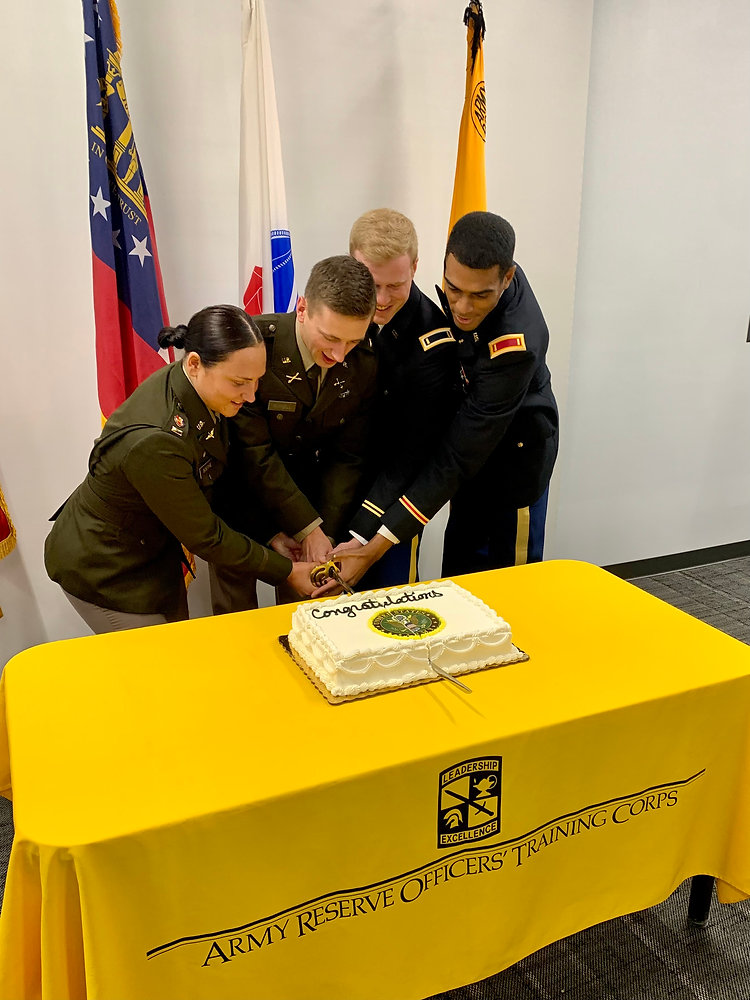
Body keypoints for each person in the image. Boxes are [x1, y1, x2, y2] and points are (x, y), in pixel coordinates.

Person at [45, 305, 320, 633]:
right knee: (157, 669)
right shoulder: (159, 439)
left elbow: (217, 481)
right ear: (194, 364)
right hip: (106, 568)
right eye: (239, 382)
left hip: (151, 554)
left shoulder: (200, 392)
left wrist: (270, 535)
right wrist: (287, 571)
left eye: (257, 381)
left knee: (176, 646)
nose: (250, 395)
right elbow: (207, 537)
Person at [334, 210, 558, 583]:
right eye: (453, 289)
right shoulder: (479, 265)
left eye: (480, 295)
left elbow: (458, 454)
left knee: (508, 589)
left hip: (511, 464)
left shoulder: (515, 346)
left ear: (507, 278)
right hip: (462, 462)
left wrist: (375, 546)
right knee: (459, 579)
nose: (463, 308)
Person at [209, 255, 378, 612]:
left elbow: (348, 456)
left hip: (310, 506)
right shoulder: (254, 350)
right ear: (302, 309)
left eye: (351, 342)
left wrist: (324, 532)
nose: (339, 354)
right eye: (330, 338)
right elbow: (254, 454)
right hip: (239, 505)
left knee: (308, 615)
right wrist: (308, 529)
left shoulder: (362, 360)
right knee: (233, 621)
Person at [341, 208, 459, 587]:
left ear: (415, 267)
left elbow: (412, 453)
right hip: (336, 484)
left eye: (396, 285)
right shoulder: (335, 311)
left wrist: (362, 532)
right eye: (372, 284)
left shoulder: (433, 344)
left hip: (390, 502)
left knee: (391, 605)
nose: (381, 299)